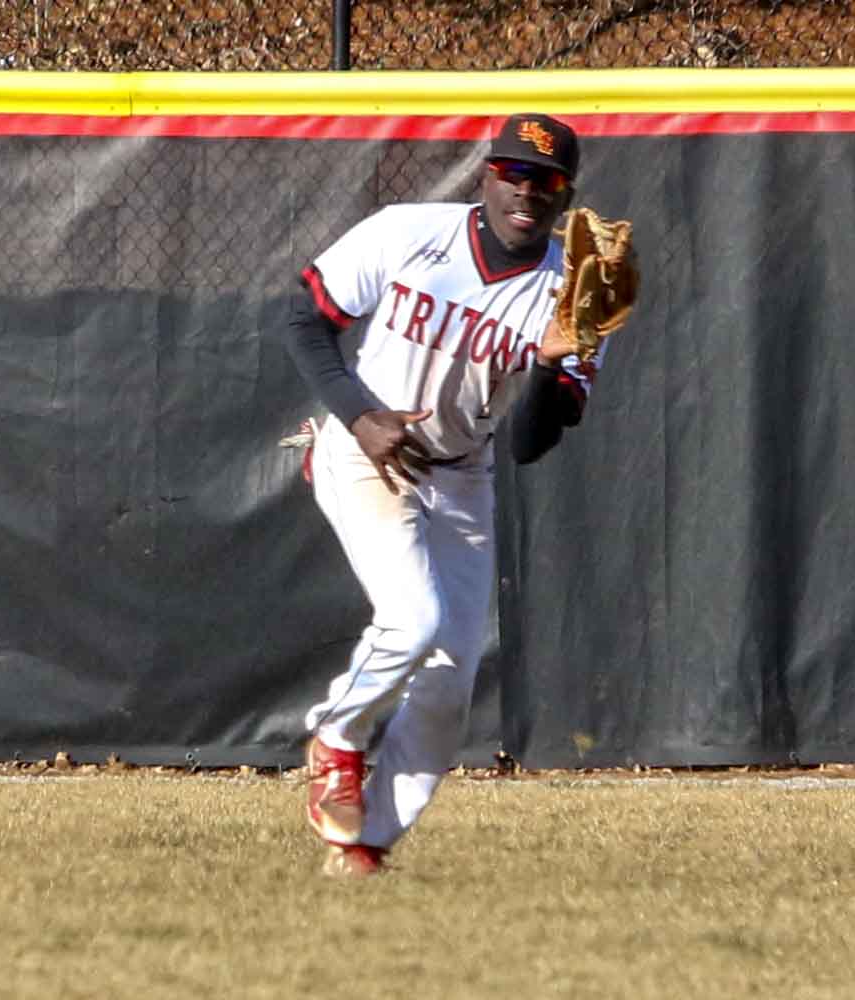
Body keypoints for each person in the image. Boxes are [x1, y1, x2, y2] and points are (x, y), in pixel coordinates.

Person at [282, 113, 599, 876]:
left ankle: (362, 848)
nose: (527, 192)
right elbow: (304, 317)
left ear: (565, 197)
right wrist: (357, 417)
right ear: (487, 174)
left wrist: (557, 363)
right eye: (514, 174)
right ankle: (336, 734)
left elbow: (529, 444)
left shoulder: (572, 294)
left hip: (461, 472)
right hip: (366, 452)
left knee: (451, 685)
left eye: (546, 182)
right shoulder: (409, 232)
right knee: (414, 618)